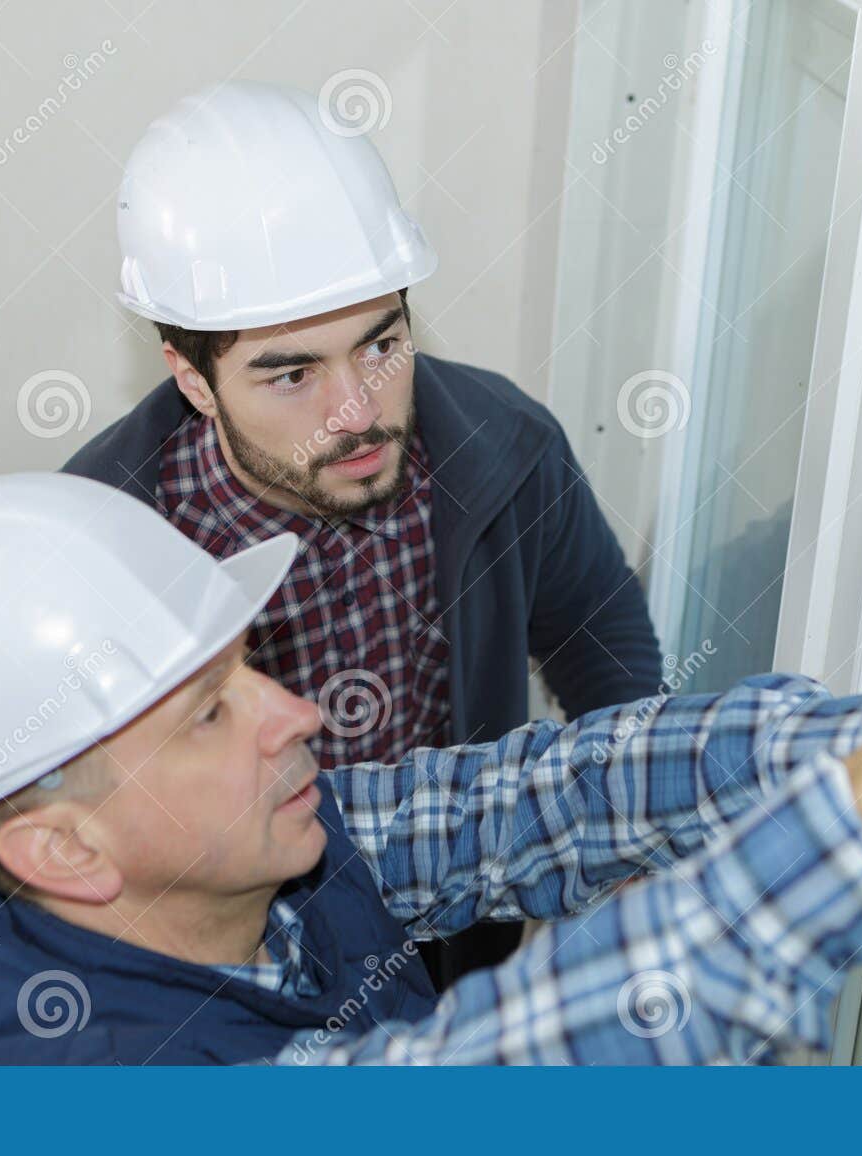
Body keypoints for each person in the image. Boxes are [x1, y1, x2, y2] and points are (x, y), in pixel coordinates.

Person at [0, 473, 862, 1065]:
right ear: (62, 852)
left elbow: (552, 796)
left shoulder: (223, 857)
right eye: (205, 712)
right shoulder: (42, 1074)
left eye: (249, 666)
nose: (293, 714)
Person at [57, 80, 664, 982]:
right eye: (293, 374)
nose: (358, 412)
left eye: (381, 345)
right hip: (237, 990)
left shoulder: (505, 448)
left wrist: (641, 848)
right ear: (192, 379)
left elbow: (601, 650)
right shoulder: (99, 544)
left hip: (459, 962)